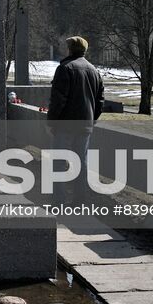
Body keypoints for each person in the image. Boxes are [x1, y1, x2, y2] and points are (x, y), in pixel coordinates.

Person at [47, 36, 105, 205]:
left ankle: (58, 201)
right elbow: (100, 101)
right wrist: (92, 119)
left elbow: (58, 100)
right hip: (85, 125)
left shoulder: (65, 68)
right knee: (81, 163)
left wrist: (51, 122)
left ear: (70, 49)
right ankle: (80, 201)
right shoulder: (94, 70)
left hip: (65, 125)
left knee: (58, 162)